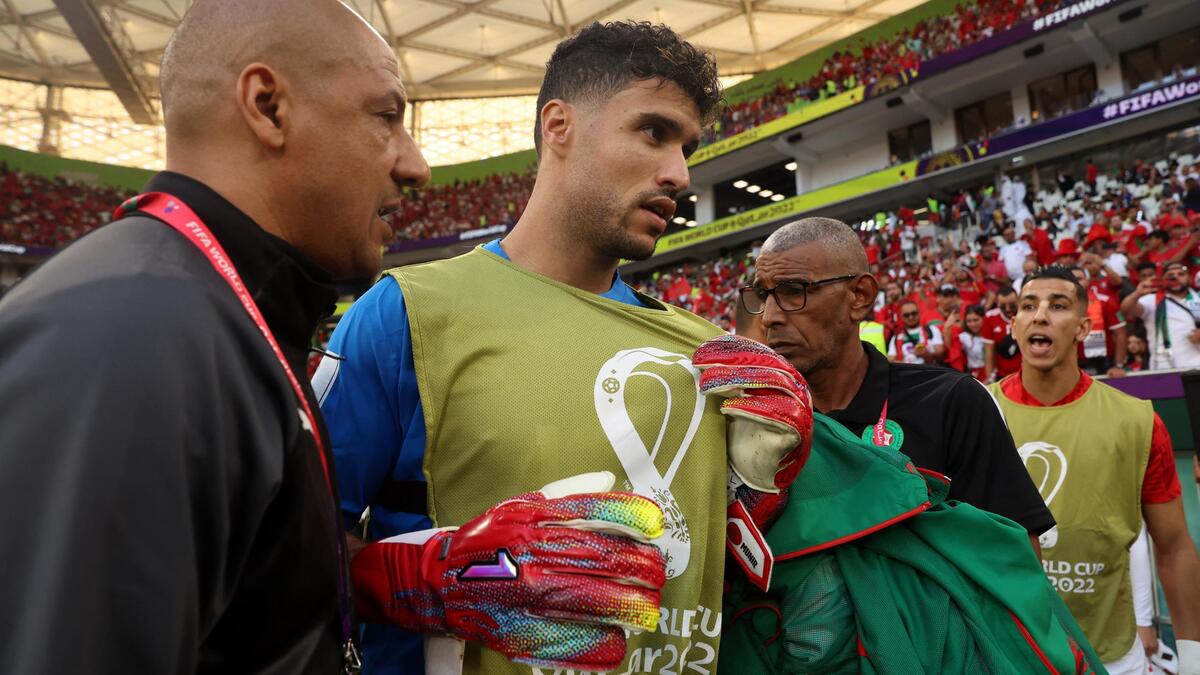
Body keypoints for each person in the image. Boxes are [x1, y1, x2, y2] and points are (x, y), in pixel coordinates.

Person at [0, 1, 434, 671]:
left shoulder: (215, 314)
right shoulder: (136, 334)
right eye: (386, 116)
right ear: (267, 107)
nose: (416, 165)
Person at [316, 21, 731, 674]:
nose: (679, 173)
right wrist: (421, 580)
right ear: (558, 126)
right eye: (654, 132)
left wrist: (775, 484)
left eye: (688, 147)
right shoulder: (405, 315)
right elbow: (290, 547)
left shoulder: (711, 355)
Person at [748, 217, 1054, 545]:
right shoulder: (753, 422)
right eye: (763, 295)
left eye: (793, 292)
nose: (769, 317)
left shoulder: (951, 403)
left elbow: (1014, 558)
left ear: (860, 296)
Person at [989, 265, 1200, 675]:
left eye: (1058, 305)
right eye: (1028, 306)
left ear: (1084, 328)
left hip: (1112, 656)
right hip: (1005, 654)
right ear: (1014, 325)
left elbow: (1174, 547)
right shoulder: (977, 410)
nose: (1040, 315)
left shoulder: (1137, 420)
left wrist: (1192, 657)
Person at [1121, 261, 1200, 369]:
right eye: (1170, 275)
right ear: (1163, 279)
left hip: (1196, 365)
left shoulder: (1198, 298)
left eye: (1181, 274)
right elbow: (1127, 310)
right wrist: (1137, 293)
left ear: (1189, 278)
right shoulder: (1152, 300)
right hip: (1163, 367)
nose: (1175, 277)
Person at [983, 286, 1022, 383]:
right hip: (1002, 374)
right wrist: (989, 378)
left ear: (1018, 301)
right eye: (1003, 306)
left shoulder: (1026, 315)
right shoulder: (990, 317)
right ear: (997, 304)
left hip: (1024, 372)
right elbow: (988, 351)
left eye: (1012, 305)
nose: (1008, 309)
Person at [888, 299, 945, 364]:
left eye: (914, 313)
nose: (911, 317)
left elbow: (941, 354)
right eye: (906, 315)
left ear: (919, 313)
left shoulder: (932, 330)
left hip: (929, 369)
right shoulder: (896, 337)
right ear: (902, 317)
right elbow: (891, 359)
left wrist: (926, 354)